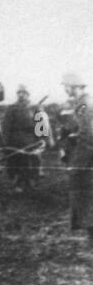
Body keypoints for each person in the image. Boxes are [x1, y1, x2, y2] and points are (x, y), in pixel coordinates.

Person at [61, 72, 93, 240]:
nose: (65, 89)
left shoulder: (84, 105)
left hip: (87, 162)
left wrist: (77, 165)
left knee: (88, 202)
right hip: (86, 159)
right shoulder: (81, 104)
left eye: (66, 86)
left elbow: (87, 136)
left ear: (74, 87)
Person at [1, 85, 41, 190]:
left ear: (28, 94)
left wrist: (41, 139)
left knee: (32, 161)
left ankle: (30, 182)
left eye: (24, 93)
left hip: (31, 138)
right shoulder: (12, 108)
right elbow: (6, 126)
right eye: (19, 93)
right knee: (18, 162)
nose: (21, 95)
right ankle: (19, 183)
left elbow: (40, 124)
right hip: (16, 139)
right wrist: (5, 141)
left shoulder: (35, 107)